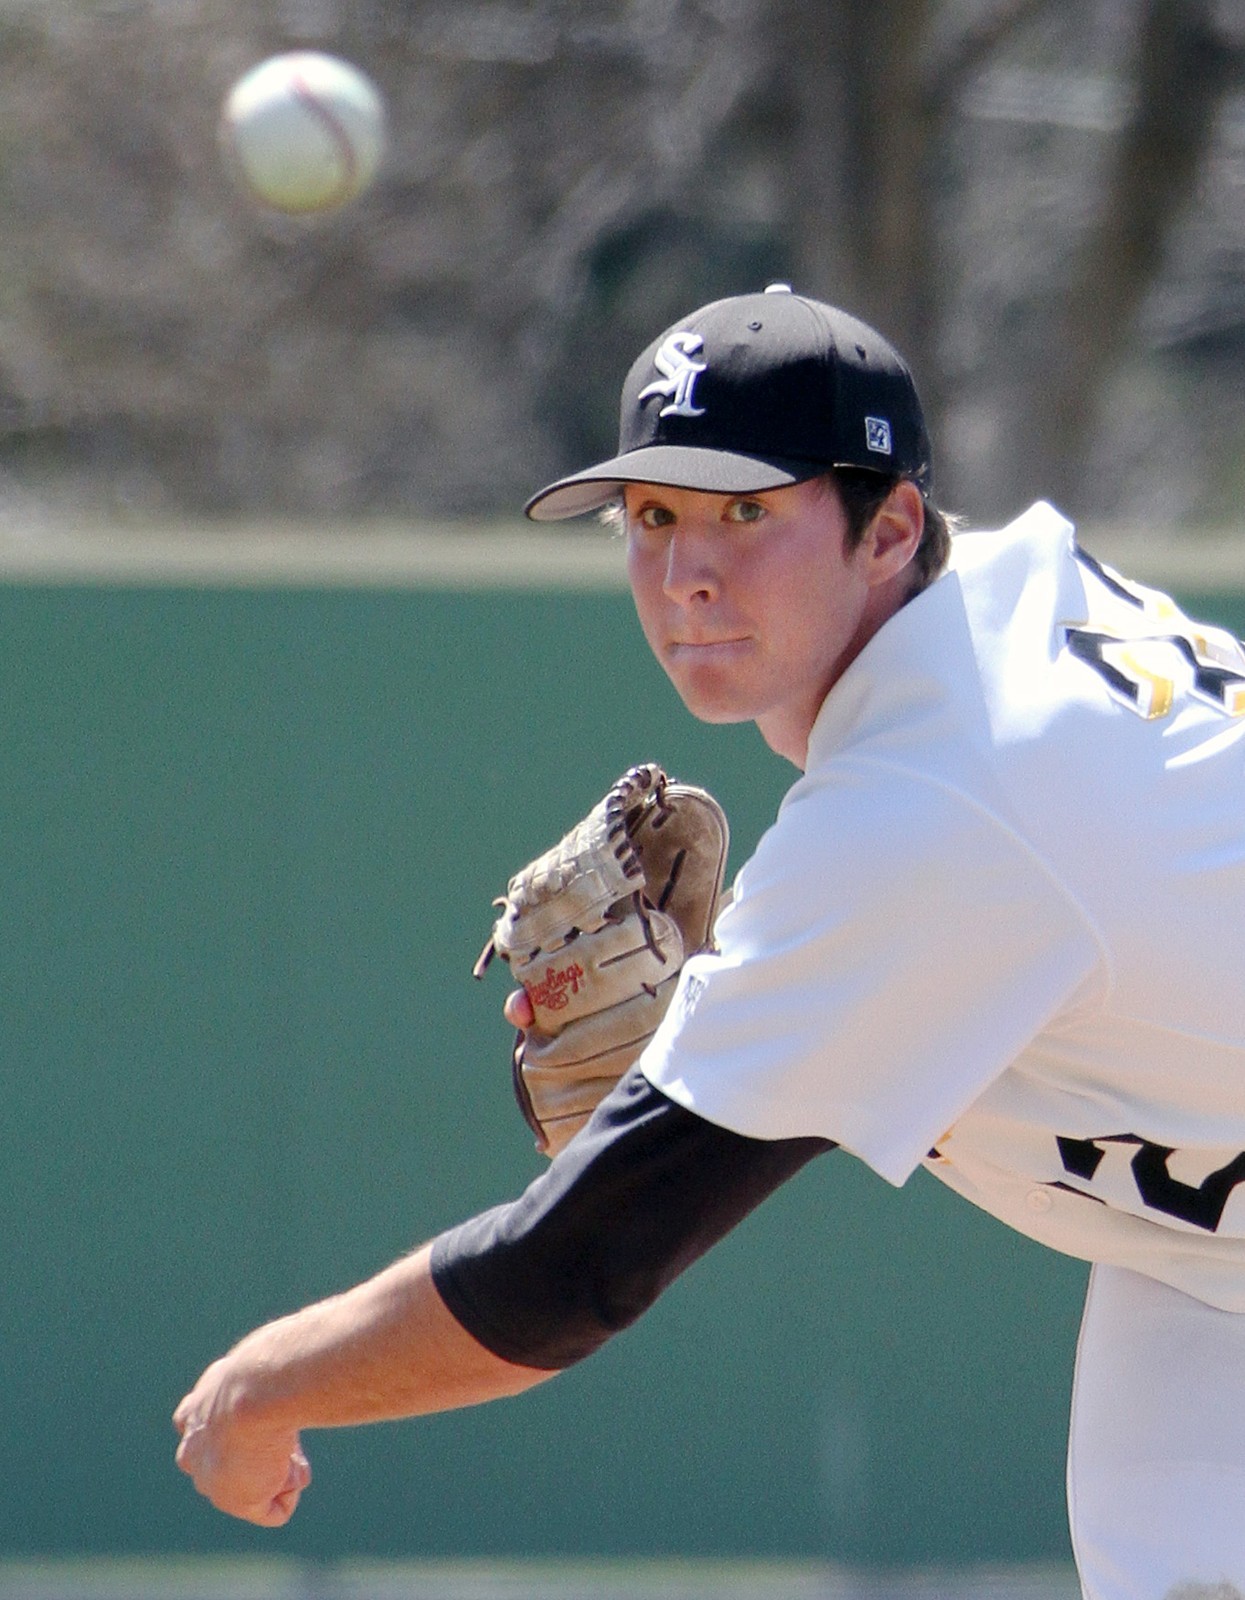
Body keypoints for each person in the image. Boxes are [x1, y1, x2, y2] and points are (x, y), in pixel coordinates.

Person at [175, 285, 1245, 1599]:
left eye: (745, 512)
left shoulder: (929, 801)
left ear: (888, 526)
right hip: (1209, 1264)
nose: (686, 569)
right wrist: (740, 1008)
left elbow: (574, 1271)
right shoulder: (1009, 612)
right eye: (653, 517)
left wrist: (262, 1386)